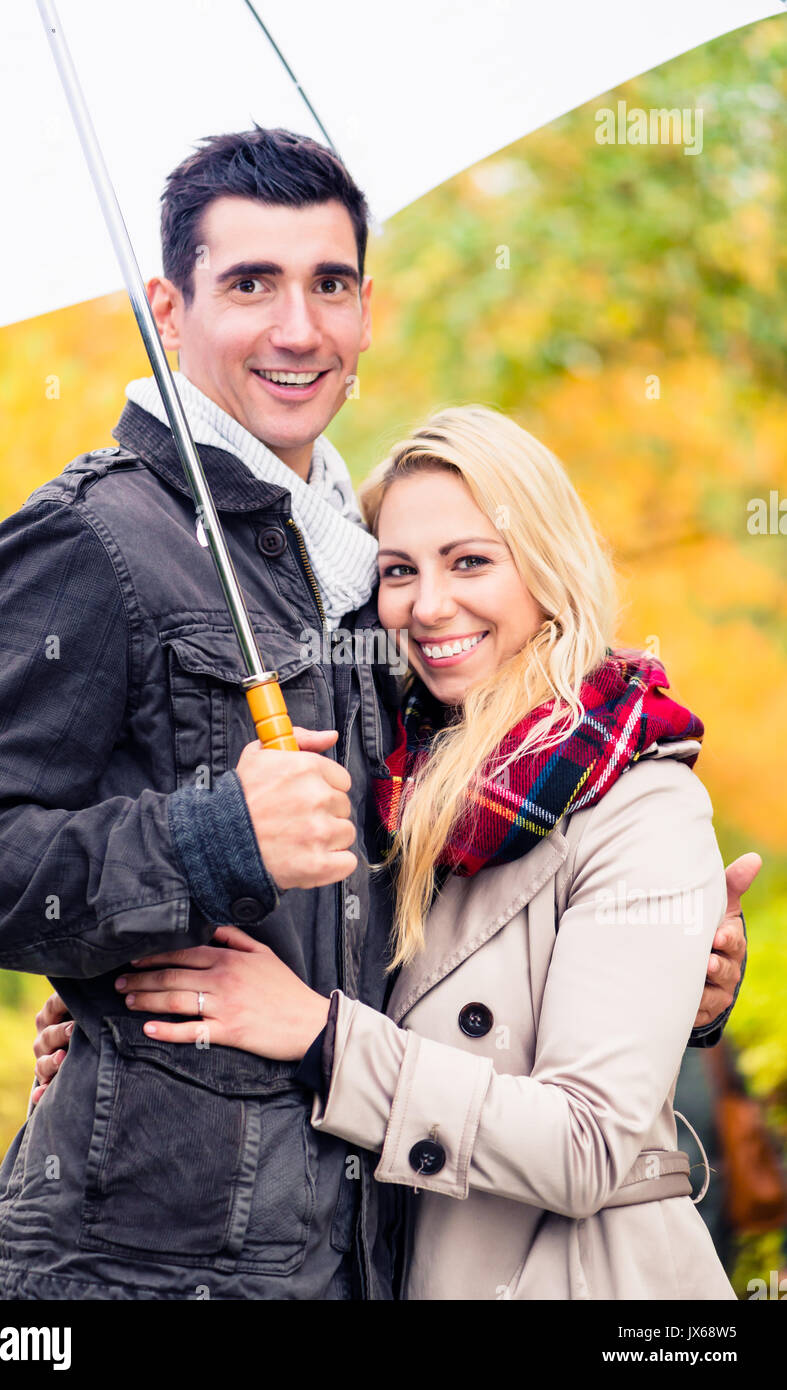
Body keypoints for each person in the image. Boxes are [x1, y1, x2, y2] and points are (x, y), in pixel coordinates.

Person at [0, 129, 747, 1302]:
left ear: (367, 313)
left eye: (331, 283)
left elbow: (399, 917)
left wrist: (658, 967)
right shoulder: (92, 542)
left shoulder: (346, 576)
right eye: (250, 282)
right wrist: (199, 846)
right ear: (168, 307)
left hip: (348, 1251)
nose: (298, 327)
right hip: (146, 1267)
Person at [104, 405, 752, 1299]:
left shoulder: (642, 800)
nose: (429, 605)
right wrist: (116, 1026)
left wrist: (323, 1038)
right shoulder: (396, 795)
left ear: (547, 567)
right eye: (399, 571)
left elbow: (589, 1143)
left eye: (471, 561)